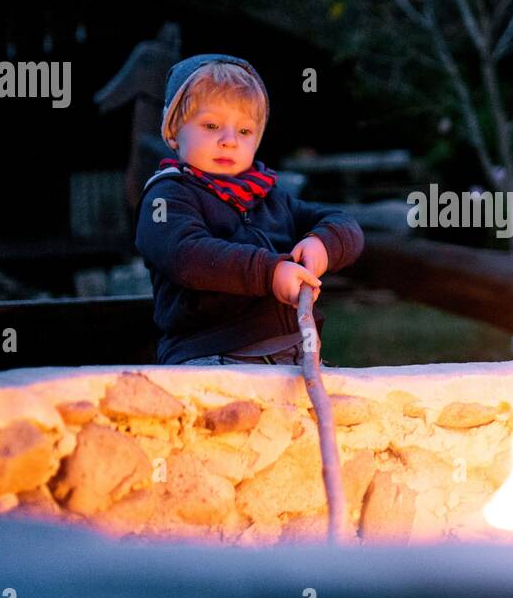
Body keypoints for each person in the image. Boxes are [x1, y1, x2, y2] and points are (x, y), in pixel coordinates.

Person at [134, 53, 364, 365]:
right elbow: (186, 256)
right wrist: (270, 272)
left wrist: (322, 243)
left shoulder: (268, 197)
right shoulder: (166, 197)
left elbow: (343, 223)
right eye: (211, 125)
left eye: (244, 131)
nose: (229, 140)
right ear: (173, 132)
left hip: (295, 353)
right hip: (211, 354)